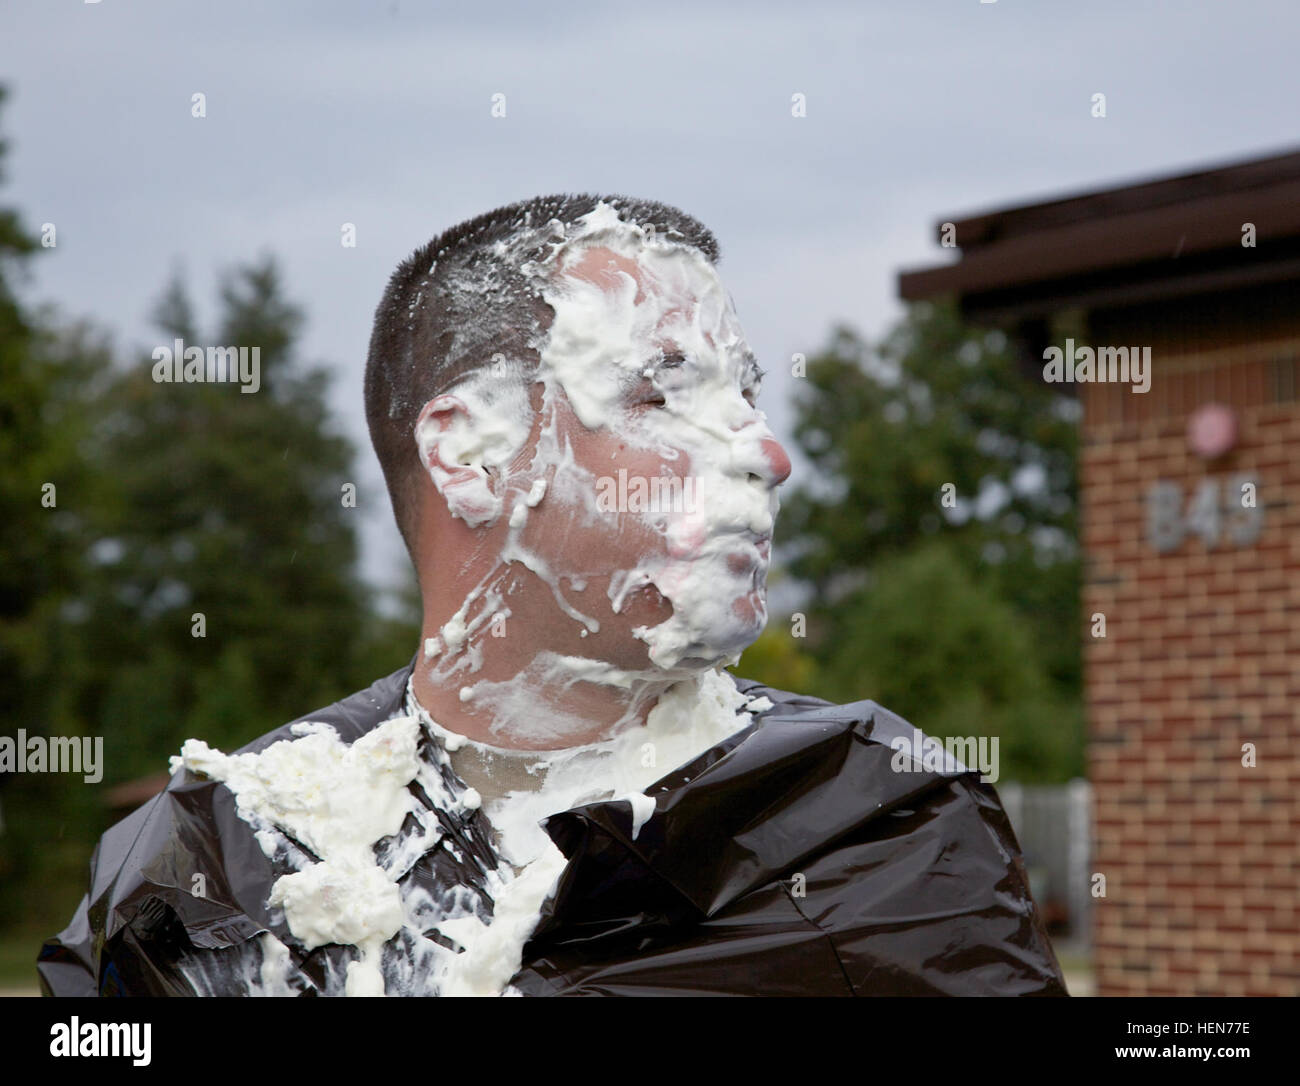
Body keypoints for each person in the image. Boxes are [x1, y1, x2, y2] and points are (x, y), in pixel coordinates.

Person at [38, 194, 1067, 996]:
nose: (768, 452)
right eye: (663, 390)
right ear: (471, 453)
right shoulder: (210, 864)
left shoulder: (874, 821)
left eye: (746, 394)